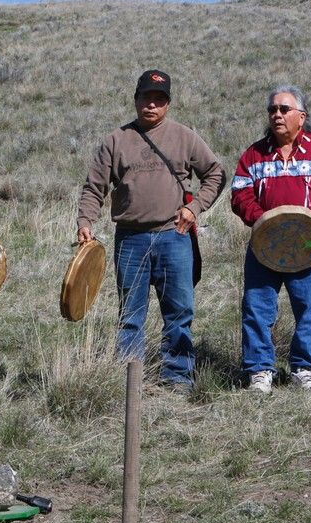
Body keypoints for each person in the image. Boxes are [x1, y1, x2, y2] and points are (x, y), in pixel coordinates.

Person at [76, 70, 226, 392]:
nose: (151, 106)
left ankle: (177, 377)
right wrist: (85, 222)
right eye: (146, 98)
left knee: (179, 312)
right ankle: (131, 380)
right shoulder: (116, 140)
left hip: (175, 236)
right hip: (130, 239)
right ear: (136, 100)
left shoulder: (185, 137)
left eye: (159, 100)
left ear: (168, 104)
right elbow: (94, 188)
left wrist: (193, 208)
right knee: (130, 313)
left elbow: (215, 173)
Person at [231, 84, 311, 394]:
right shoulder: (254, 153)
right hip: (265, 244)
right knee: (257, 307)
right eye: (272, 109)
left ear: (302, 115)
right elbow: (240, 193)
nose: (277, 115)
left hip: (310, 244)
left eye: (284, 109)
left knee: (309, 306)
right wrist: (263, 220)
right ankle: (259, 371)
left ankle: (303, 368)